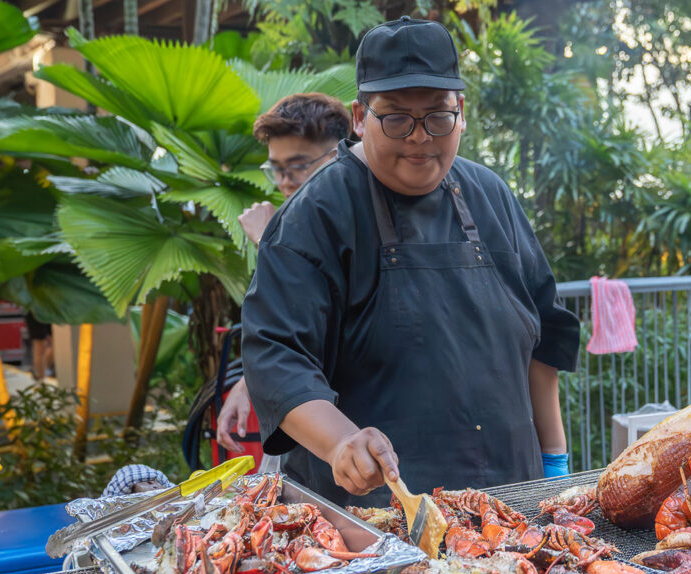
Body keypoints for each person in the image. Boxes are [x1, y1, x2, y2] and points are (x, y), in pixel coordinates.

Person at [241, 16, 580, 507]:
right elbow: (277, 356)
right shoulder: (316, 213)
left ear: (461, 113)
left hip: (510, 503)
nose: (420, 137)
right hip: (375, 515)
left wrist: (554, 463)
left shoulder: (492, 195)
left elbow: (543, 333)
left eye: (438, 116)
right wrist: (340, 441)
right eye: (397, 118)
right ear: (360, 117)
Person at [216, 93, 352, 455]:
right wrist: (247, 385)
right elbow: (286, 333)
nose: (285, 181)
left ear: (338, 156)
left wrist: (269, 243)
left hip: (347, 427)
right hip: (311, 428)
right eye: (276, 168)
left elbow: (327, 332)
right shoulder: (290, 225)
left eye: (298, 165)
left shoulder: (350, 224)